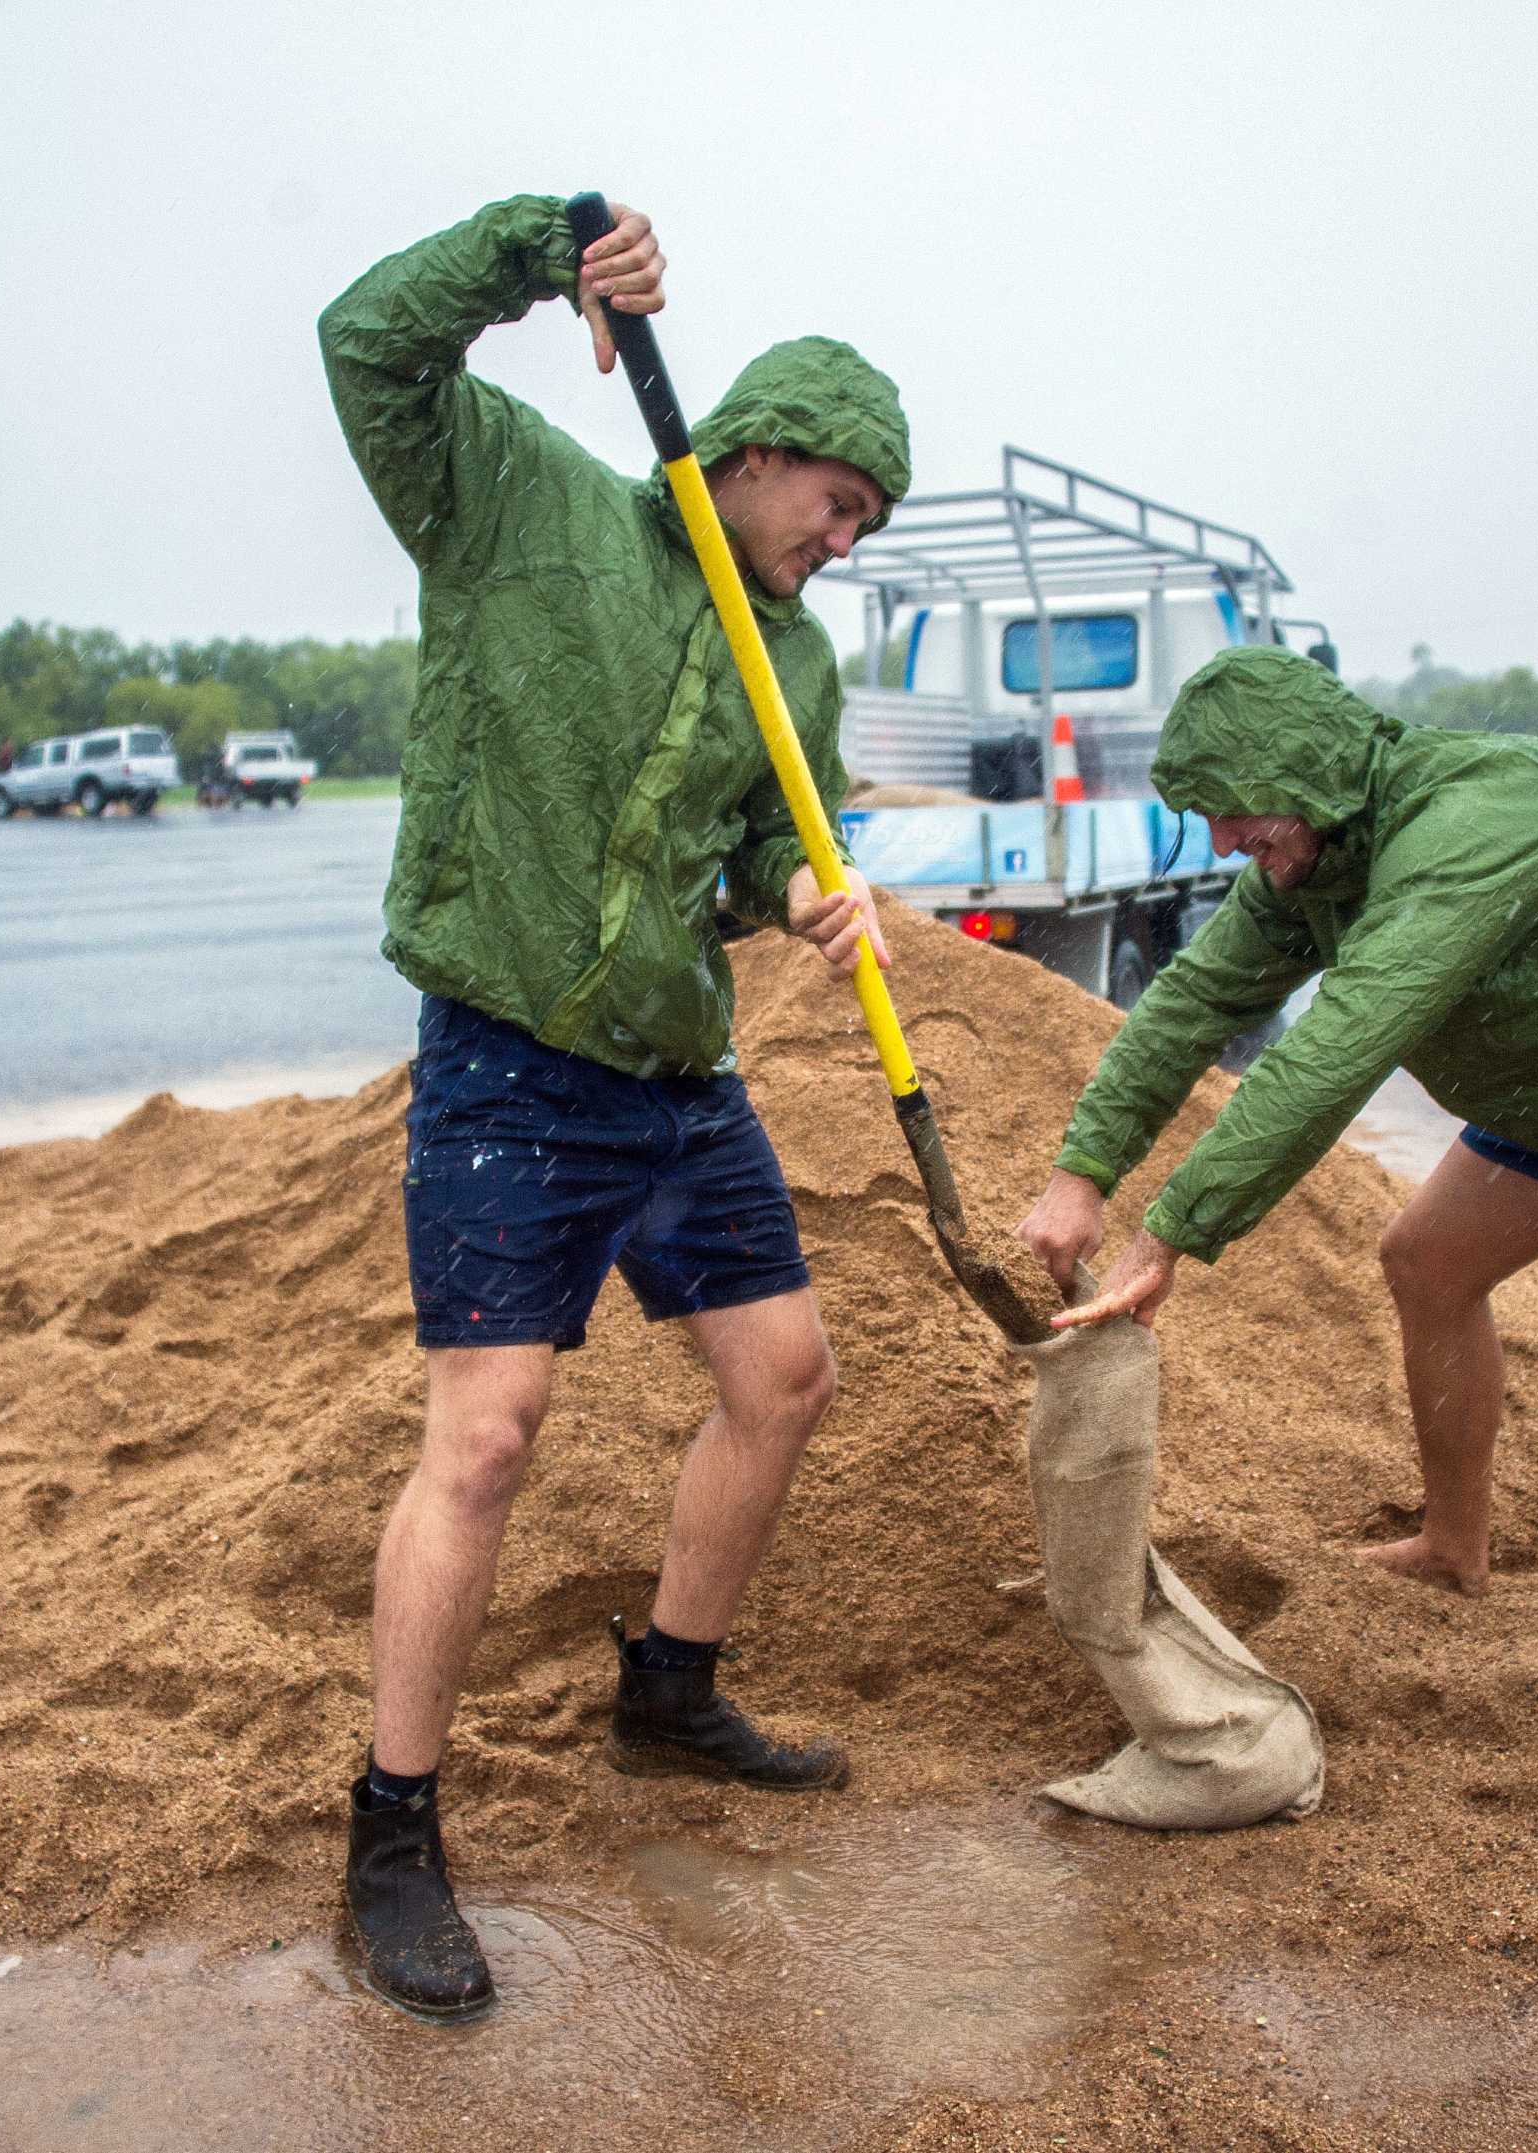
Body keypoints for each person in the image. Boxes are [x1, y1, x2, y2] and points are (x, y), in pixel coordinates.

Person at [317, 195, 910, 2020]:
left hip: (679, 1069)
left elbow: (743, 847)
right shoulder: (519, 497)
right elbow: (365, 342)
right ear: (756, 448)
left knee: (784, 1371)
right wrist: (533, 252)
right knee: (486, 1438)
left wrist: (801, 896)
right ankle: (392, 1836)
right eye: (839, 502)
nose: (847, 540)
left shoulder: (794, 655)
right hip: (508, 1055)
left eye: (870, 526)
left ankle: (666, 1689)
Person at [1017, 645, 1538, 1857]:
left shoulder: (1477, 823)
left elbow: (1343, 1041)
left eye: (1234, 816)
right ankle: (1456, 1545)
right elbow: (1192, 1006)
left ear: (1303, 779)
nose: (1220, 843)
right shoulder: (1317, 858)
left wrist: (1177, 1230)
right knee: (1425, 1259)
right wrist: (1080, 1175)